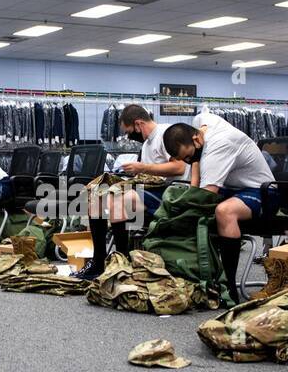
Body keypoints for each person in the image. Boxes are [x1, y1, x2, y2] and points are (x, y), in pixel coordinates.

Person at [163, 111, 275, 301]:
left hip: (263, 191)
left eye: (189, 156)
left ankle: (229, 287)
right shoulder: (201, 124)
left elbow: (207, 194)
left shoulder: (219, 145)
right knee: (197, 207)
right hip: (233, 188)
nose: (189, 161)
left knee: (224, 211)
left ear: (196, 139)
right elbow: (196, 175)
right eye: (185, 159)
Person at [75, 104, 186, 279]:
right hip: (148, 188)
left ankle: (122, 262)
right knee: (97, 198)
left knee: (117, 200)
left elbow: (179, 168)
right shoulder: (147, 143)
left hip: (171, 191)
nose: (129, 136)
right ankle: (98, 262)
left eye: (128, 132)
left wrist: (143, 167)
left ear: (139, 124)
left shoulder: (166, 134)